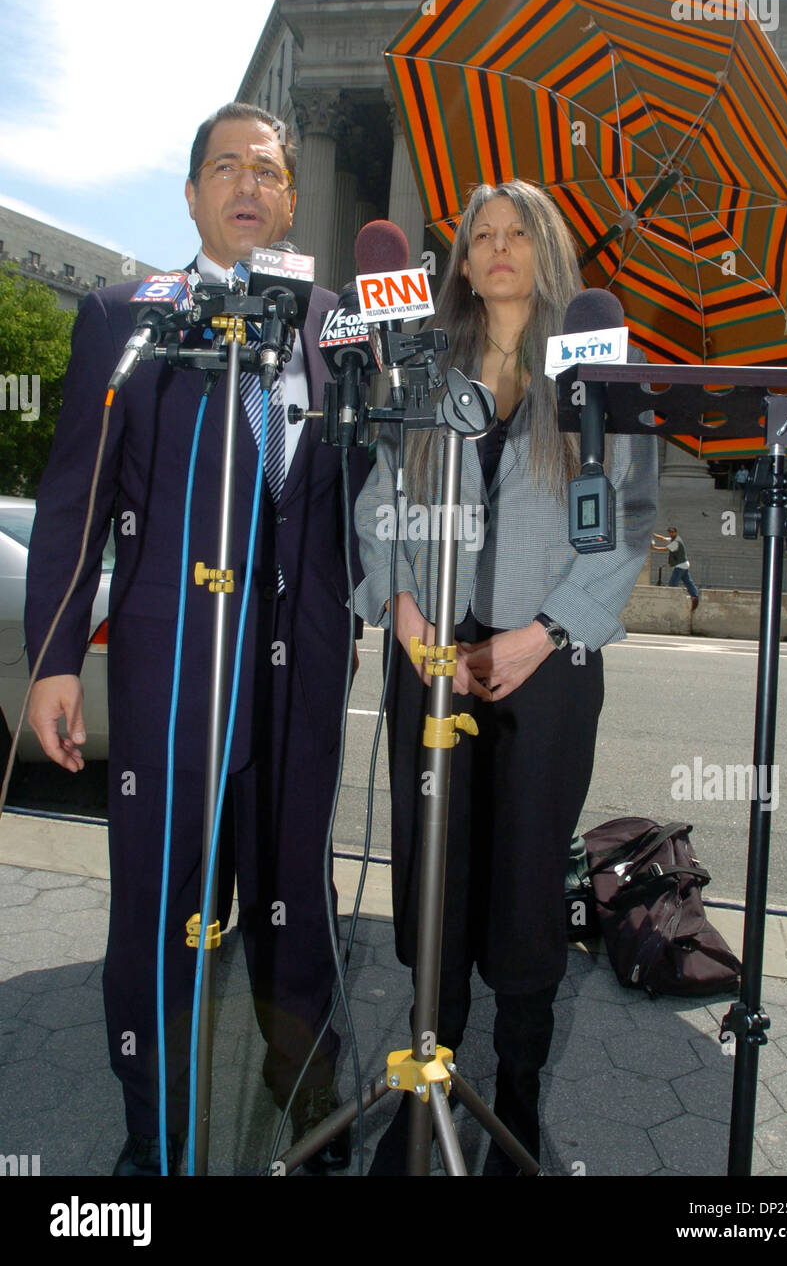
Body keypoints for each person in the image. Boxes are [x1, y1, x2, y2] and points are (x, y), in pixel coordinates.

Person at [25, 102, 366, 1176]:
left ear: (293, 196)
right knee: (160, 919)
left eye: (268, 169)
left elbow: (361, 495)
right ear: (191, 194)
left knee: (295, 915)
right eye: (225, 167)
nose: (248, 185)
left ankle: (304, 1123)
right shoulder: (130, 316)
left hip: (302, 673)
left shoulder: (339, 330)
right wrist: (53, 658)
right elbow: (76, 497)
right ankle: (155, 1141)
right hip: (177, 678)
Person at [353, 181, 658, 1173]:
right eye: (478, 235)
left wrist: (541, 634)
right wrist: (400, 605)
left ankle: (517, 1100)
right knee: (433, 871)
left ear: (546, 249)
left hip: (547, 665)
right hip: (430, 660)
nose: (494, 248)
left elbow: (622, 519)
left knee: (526, 881)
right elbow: (379, 498)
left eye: (514, 232)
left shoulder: (593, 367)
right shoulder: (428, 365)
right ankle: (426, 1076)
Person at [652, 526, 699, 609]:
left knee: (673, 583)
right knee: (688, 581)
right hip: (684, 564)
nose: (670, 534)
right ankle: (695, 596)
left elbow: (665, 549)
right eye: (669, 532)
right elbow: (663, 539)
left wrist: (653, 548)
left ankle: (671, 599)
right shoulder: (674, 539)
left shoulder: (676, 542)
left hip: (680, 565)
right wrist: (652, 534)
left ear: (675, 532)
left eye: (672, 532)